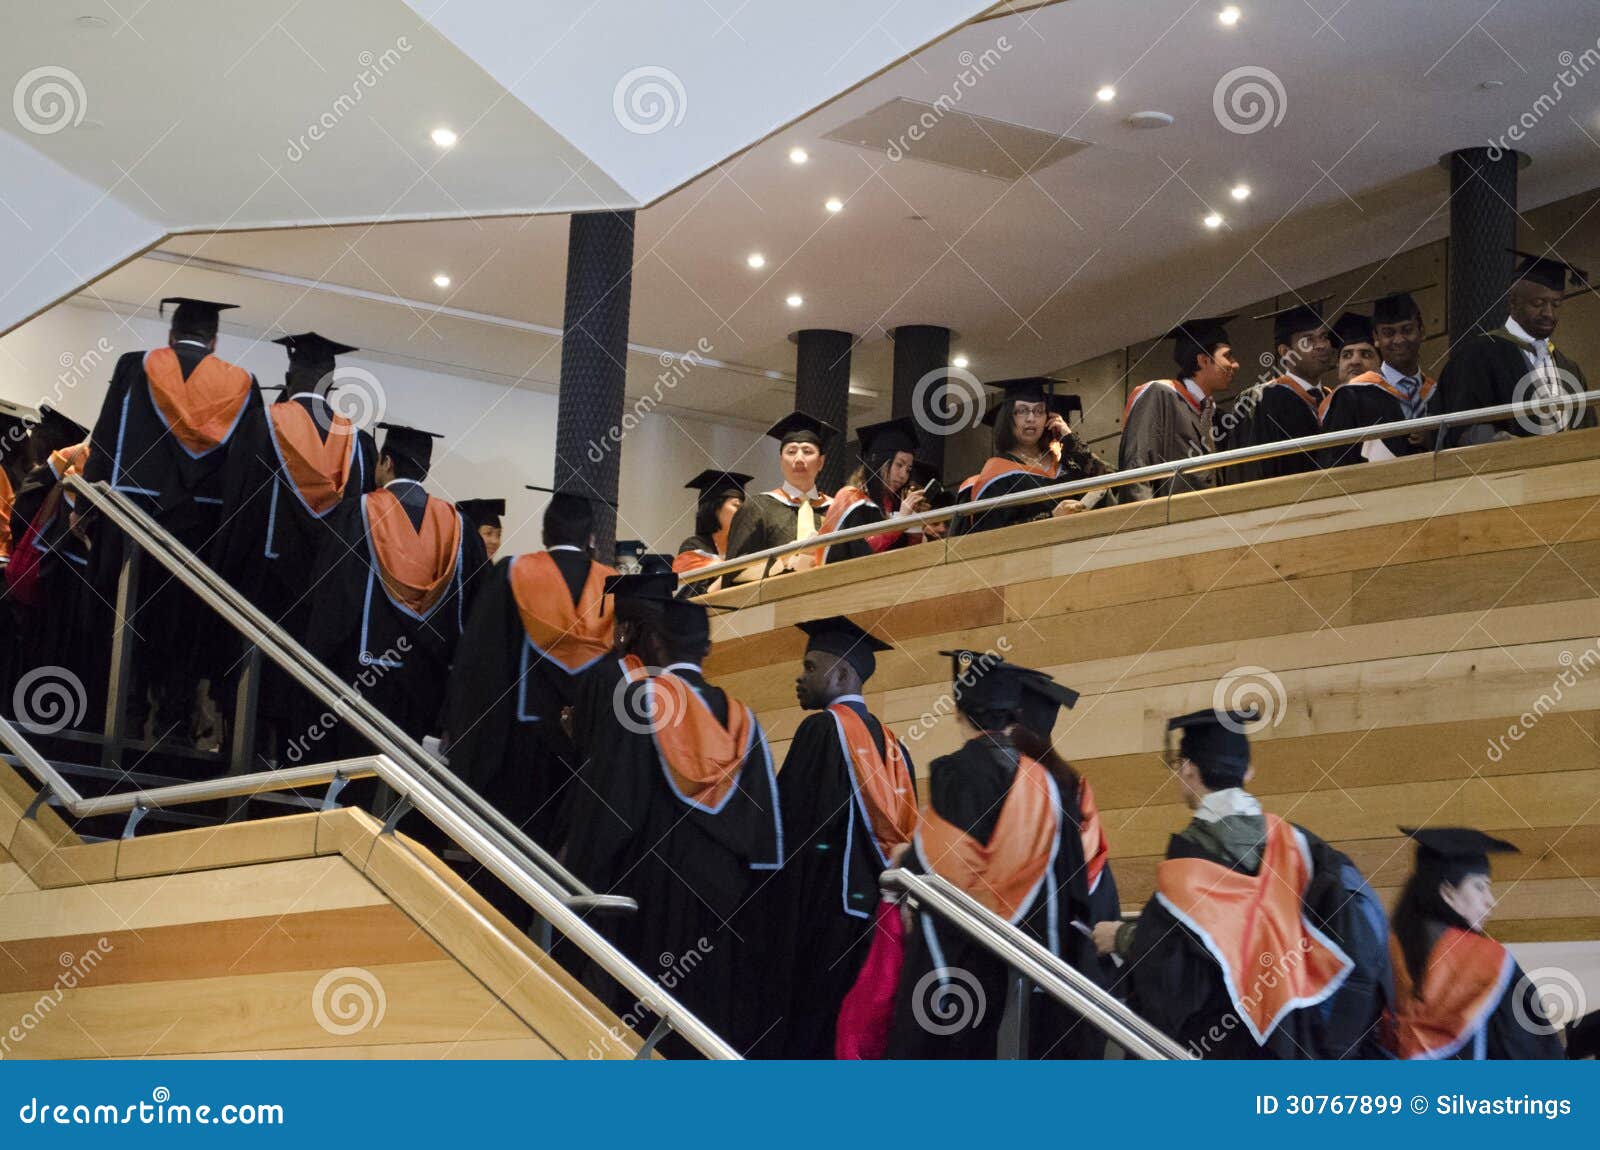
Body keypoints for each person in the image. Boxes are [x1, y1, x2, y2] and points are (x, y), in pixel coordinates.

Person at [1093, 709, 1391, 1059]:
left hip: (1220, 1047)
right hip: (1292, 1044)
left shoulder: (1189, 863)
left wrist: (1122, 937)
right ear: (1248, 771)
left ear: (1188, 768)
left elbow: (1175, 970)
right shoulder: (1304, 848)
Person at [562, 589, 784, 1057]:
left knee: (646, 1009)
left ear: (656, 644)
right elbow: (765, 825)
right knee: (704, 1011)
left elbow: (613, 806)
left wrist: (583, 873)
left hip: (654, 888)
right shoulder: (744, 718)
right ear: (707, 650)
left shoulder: (641, 700)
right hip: (724, 894)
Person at [886, 653, 1104, 1059]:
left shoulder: (954, 770)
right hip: (1022, 956)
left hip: (957, 947)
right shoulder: (1046, 783)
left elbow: (942, 856)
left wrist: (906, 859)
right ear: (1013, 714)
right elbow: (1067, 880)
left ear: (959, 710)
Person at [82, 297, 264, 739]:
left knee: (125, 617)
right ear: (214, 340)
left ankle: (121, 717)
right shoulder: (242, 384)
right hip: (199, 530)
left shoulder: (135, 366)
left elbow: (104, 440)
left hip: (131, 518)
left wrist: (85, 507)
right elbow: (245, 467)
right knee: (183, 623)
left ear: (171, 333)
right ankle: (174, 723)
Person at [211, 332, 378, 755]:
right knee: (300, 684)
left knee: (251, 680)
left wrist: (221, 568)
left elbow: (237, 506)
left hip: (261, 581)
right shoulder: (358, 443)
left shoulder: (263, 423)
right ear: (332, 380)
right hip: (321, 593)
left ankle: (239, 758)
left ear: (290, 372)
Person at [764, 615, 917, 1058]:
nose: (800, 676)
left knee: (815, 1030)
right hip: (878, 920)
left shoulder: (820, 730)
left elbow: (792, 827)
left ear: (843, 674)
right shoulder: (896, 746)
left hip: (824, 918)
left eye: (811, 667)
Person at [303, 423, 485, 776]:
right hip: (428, 685)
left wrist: (320, 652)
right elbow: (474, 610)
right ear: (427, 470)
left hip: (363, 676)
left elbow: (333, 594)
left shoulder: (360, 511)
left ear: (386, 462)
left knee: (355, 773)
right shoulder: (458, 525)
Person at [443, 491, 614, 855]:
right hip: (589, 753)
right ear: (589, 538)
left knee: (515, 850)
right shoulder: (614, 586)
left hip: (520, 748)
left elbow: (479, 666)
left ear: (545, 533)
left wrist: (465, 737)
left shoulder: (513, 572)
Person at [1384, 827, 1563, 1059]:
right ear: (1448, 893)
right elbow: (1530, 1055)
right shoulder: (1489, 962)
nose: (1490, 901)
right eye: (1480, 887)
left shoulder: (1387, 953)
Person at [1441, 253, 1595, 445]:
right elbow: (1463, 428)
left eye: (1556, 304)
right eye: (1538, 303)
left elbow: (1588, 432)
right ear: (1512, 302)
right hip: (1510, 471)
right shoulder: (1478, 355)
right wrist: (1508, 444)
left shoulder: (1570, 369)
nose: (1549, 313)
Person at [956, 380, 1110, 534]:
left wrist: (1069, 437)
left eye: (1039, 411)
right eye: (1022, 411)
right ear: (1008, 419)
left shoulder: (1067, 462)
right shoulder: (996, 476)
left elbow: (1108, 481)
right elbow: (990, 535)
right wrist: (1050, 518)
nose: (1031, 418)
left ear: (1049, 417)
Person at [1119, 316, 1238, 501]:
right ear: (1203, 360)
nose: (1235, 364)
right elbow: (1137, 462)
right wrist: (1145, 523)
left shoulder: (1215, 415)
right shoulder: (1159, 395)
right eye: (1227, 356)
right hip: (1170, 522)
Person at [1319, 291, 1436, 467]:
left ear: (1422, 331)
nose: (1398, 340)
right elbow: (1336, 465)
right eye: (1388, 333)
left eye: (1407, 330)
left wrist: (1432, 438)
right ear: (1376, 338)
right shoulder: (1353, 395)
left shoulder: (1437, 392)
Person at [1225, 303, 1334, 481]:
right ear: (1285, 352)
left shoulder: (1334, 399)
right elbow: (1250, 473)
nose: (1321, 345)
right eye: (1308, 340)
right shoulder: (1262, 400)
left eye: (1324, 337)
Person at [725, 411, 836, 580]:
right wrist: (781, 563)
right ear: (780, 461)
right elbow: (733, 572)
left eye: (807, 451)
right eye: (791, 452)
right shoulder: (757, 507)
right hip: (774, 602)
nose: (799, 459)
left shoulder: (835, 510)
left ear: (820, 462)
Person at [814, 417, 932, 563]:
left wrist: (914, 527)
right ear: (879, 462)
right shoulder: (850, 499)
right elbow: (860, 554)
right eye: (899, 465)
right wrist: (899, 523)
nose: (903, 476)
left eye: (908, 470)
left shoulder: (895, 505)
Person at [672, 469, 749, 592]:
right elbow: (695, 598)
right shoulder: (693, 548)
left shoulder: (744, 548)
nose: (743, 512)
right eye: (736, 505)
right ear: (715, 507)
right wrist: (734, 571)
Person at [1332, 311, 1380, 384]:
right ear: (1338, 364)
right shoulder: (1327, 395)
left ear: (1381, 365)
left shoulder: (1396, 395)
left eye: (1366, 355)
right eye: (1347, 355)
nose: (1355, 361)